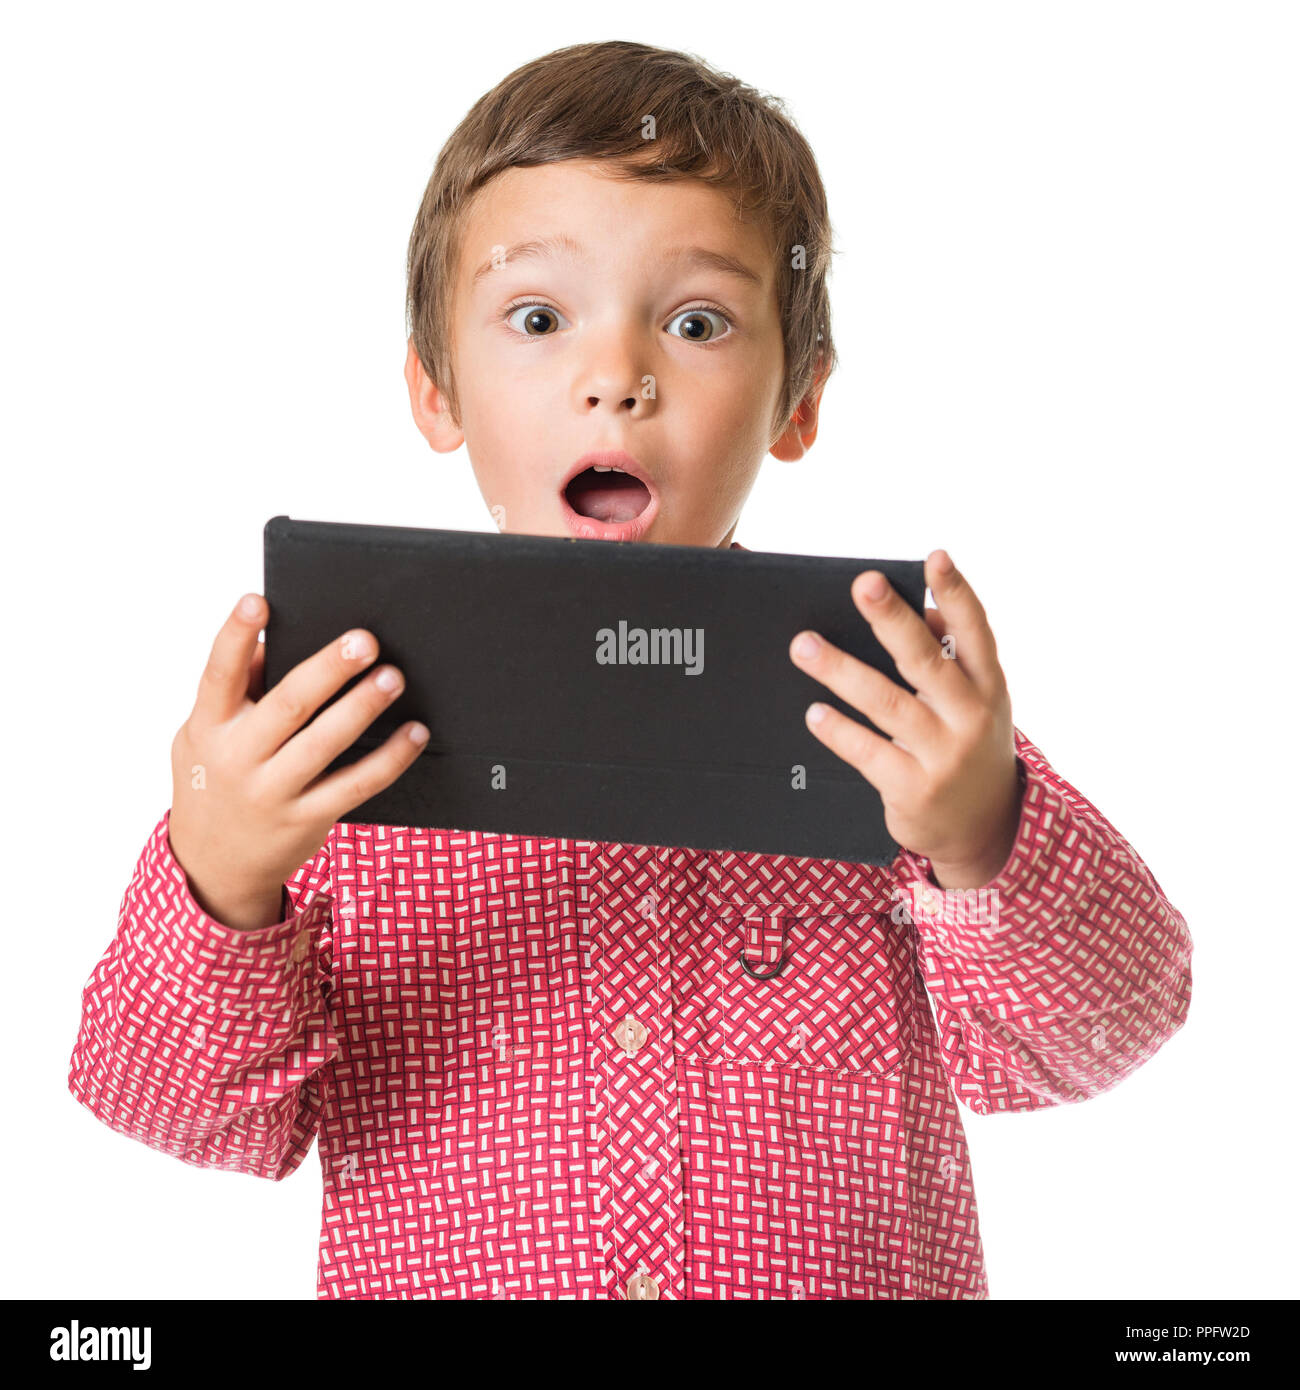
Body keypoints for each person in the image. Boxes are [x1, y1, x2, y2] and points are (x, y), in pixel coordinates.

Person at [66, 40, 1193, 1300]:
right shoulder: (330, 745)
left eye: (697, 321)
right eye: (537, 318)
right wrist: (221, 880)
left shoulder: (891, 726)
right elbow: (169, 1112)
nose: (616, 379)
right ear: (435, 388)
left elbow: (1105, 1035)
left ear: (797, 399)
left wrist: (986, 831)